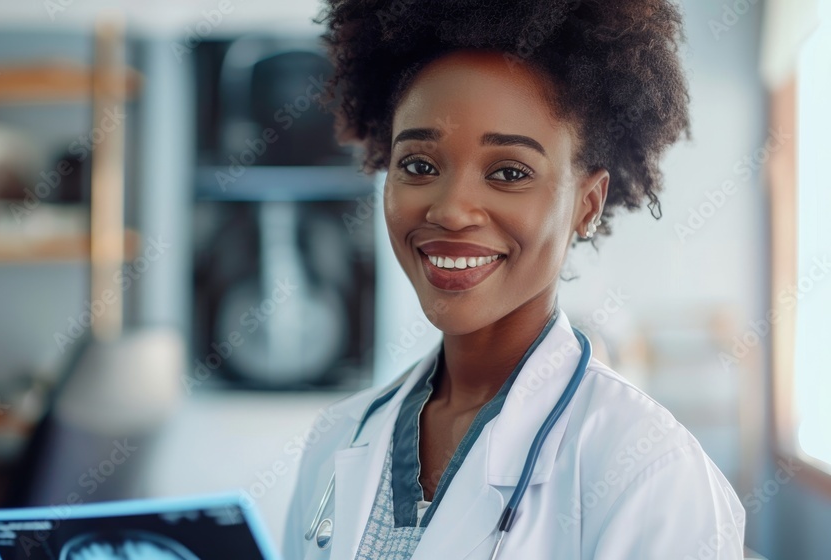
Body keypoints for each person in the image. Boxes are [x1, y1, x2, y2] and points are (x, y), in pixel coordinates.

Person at [283, 0, 746, 559]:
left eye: (508, 173)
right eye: (419, 166)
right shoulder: (339, 437)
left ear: (587, 204)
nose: (452, 211)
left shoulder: (649, 471)